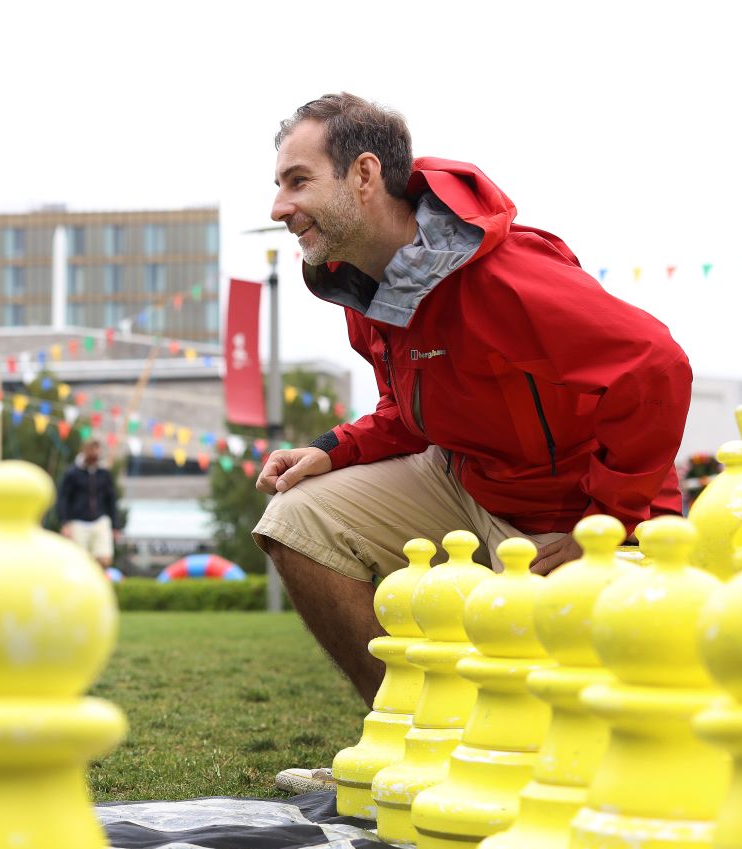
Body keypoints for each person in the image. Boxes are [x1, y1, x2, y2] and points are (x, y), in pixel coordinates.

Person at [254, 93, 691, 795]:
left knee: (587, 766)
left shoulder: (506, 275)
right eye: (280, 184)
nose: (279, 206)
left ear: (364, 176)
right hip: (466, 478)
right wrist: (334, 448)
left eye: (297, 181)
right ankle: (411, 742)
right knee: (296, 518)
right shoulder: (360, 288)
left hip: (573, 508)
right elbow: (411, 408)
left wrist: (608, 522)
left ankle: (507, 760)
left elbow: (654, 366)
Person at [58, 438, 120, 568]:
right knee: (79, 560)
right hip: (78, 520)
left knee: (104, 559)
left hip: (100, 518)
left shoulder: (104, 473)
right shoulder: (73, 473)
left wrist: (115, 525)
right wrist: (64, 522)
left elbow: (111, 499)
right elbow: (64, 498)